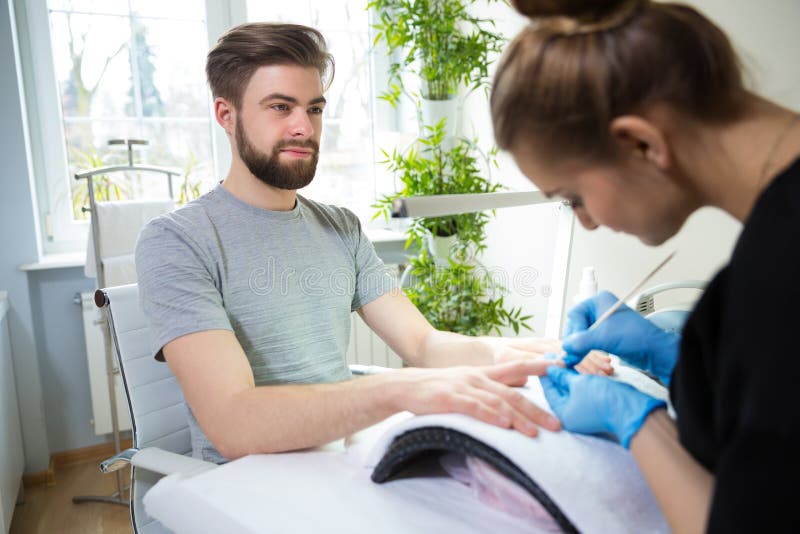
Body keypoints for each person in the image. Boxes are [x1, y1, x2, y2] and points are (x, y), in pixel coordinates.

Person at [135, 22, 610, 465]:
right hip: (245, 484)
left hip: (338, 464)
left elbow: (424, 343)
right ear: (226, 114)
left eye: (314, 108)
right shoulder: (177, 241)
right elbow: (234, 422)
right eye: (280, 107)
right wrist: (401, 390)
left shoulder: (340, 227)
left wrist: (540, 354)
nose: (304, 127)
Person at [491, 0, 800, 531]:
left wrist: (636, 421)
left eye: (573, 197)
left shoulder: (779, 274)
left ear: (640, 143)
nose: (585, 223)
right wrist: (688, 363)